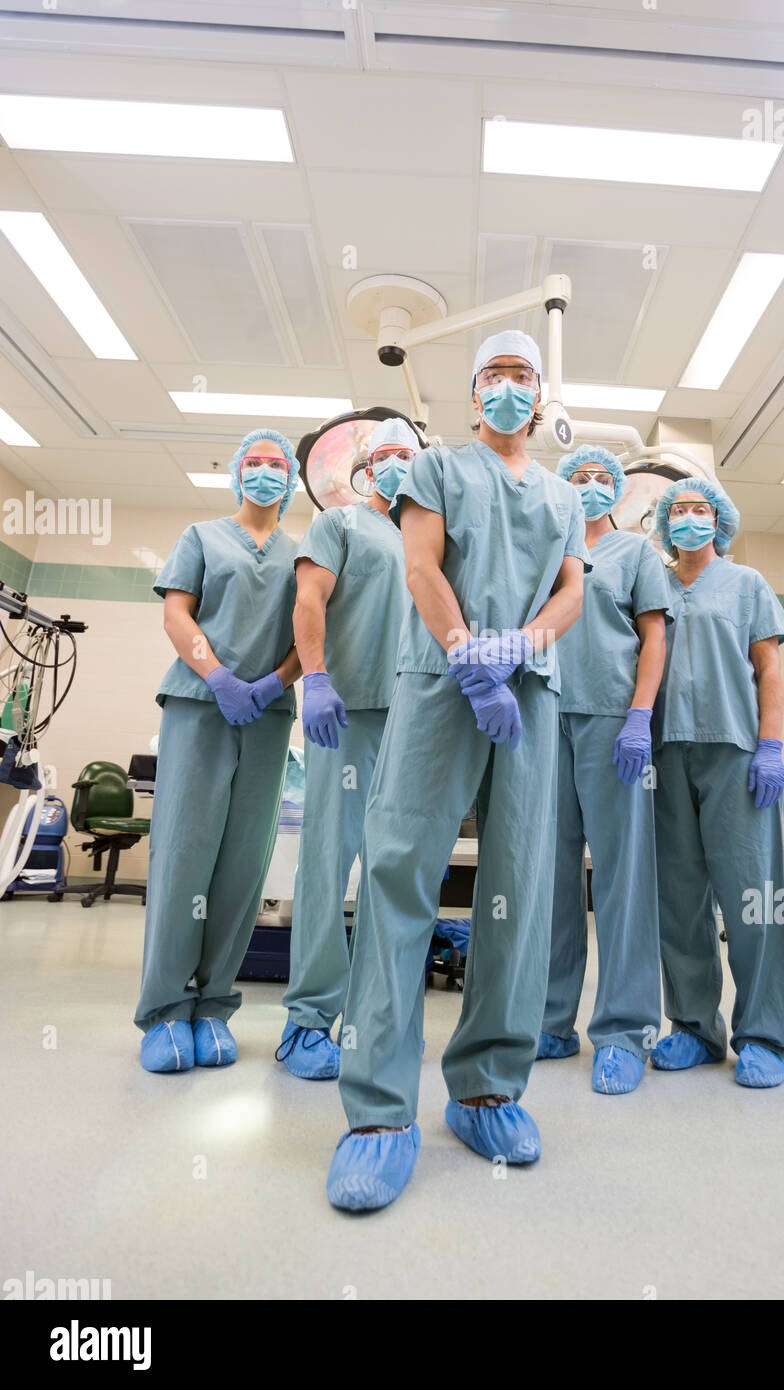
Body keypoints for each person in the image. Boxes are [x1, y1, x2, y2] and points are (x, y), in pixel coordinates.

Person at [326, 329, 589, 1210]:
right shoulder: (435, 469)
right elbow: (420, 564)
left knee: (518, 886)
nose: (510, 389)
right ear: (475, 397)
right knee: (401, 875)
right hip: (442, 683)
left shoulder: (560, 493)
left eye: (523, 376)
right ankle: (377, 1113)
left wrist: (524, 644)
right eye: (495, 377)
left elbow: (571, 590)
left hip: (532, 686)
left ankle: (485, 1089)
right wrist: (468, 654)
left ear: (541, 394)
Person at [134, 430, 301, 1073]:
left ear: (291, 479)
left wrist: (272, 683)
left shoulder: (301, 554)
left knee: (242, 865)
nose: (263, 473)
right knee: (183, 854)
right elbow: (178, 615)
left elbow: (307, 632)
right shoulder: (202, 537)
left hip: (267, 713)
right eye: (252, 463)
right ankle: (166, 1012)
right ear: (237, 475)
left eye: (275, 464)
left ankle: (213, 1007)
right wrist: (220, 677)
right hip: (201, 706)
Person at [276, 418, 418, 1079]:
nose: (392, 464)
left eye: (404, 455)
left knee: (399, 872)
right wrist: (318, 679)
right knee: (329, 866)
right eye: (380, 456)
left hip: (417, 721)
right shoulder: (339, 524)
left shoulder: (432, 538)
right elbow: (310, 600)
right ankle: (306, 1023)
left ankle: (381, 1018)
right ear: (363, 469)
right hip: (350, 713)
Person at [650, 476, 784, 1089]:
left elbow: (769, 669)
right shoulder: (651, 583)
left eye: (699, 509)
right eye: (677, 510)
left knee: (751, 898)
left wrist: (771, 745)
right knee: (679, 900)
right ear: (662, 523)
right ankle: (691, 1028)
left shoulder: (746, 584)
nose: (687, 518)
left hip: (735, 752)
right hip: (664, 753)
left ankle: (763, 1035)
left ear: (719, 520)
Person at [536, 445, 670, 1094]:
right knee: (549, 879)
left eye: (599, 479)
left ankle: (623, 1032)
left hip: (613, 724)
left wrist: (640, 715)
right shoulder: (546, 549)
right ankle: (548, 1019)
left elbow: (654, 638)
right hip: (544, 722)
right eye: (576, 478)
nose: (588, 486)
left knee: (622, 878)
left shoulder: (636, 555)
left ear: (617, 490)